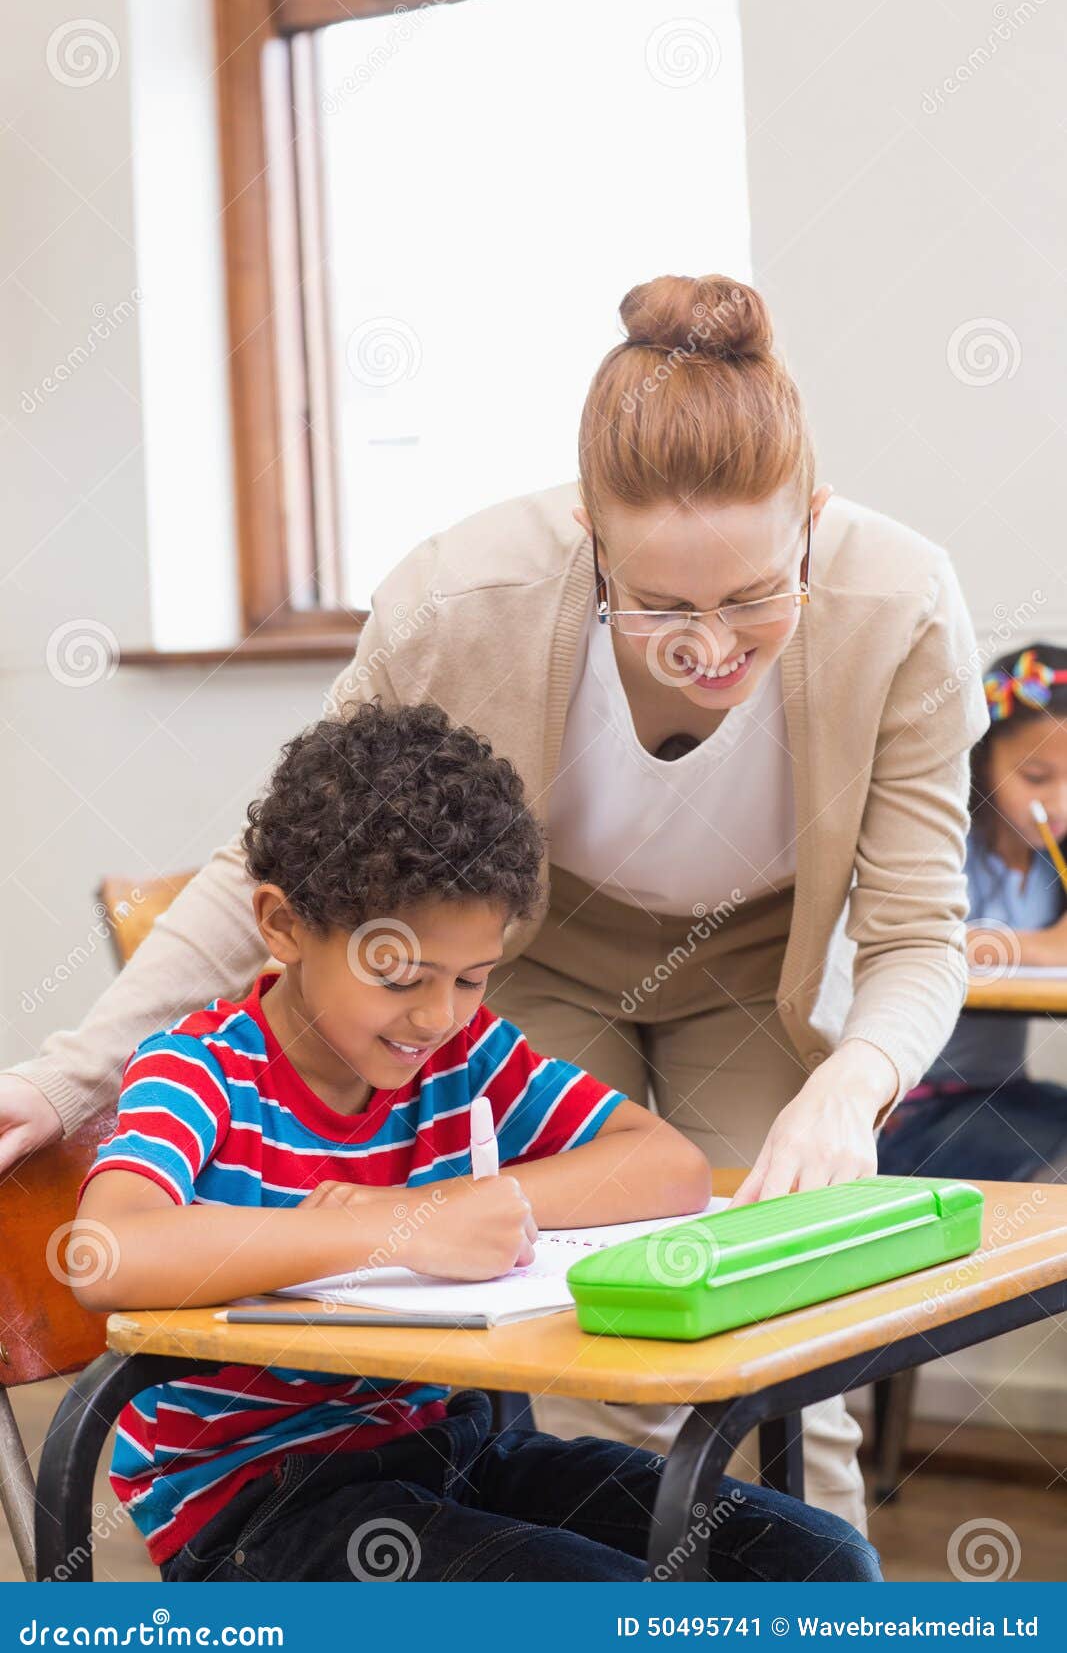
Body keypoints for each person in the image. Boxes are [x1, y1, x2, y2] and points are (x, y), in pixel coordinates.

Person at [3, 273, 989, 1529]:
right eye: (660, 607)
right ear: (587, 536)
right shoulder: (457, 600)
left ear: (814, 518)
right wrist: (71, 1071)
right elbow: (268, 866)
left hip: (758, 967)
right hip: (540, 963)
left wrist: (851, 1085)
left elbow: (913, 932)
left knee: (791, 1357)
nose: (709, 650)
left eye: (753, 597)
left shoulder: (899, 606)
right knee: (593, 1347)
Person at [71, 703, 881, 1583]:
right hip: (257, 1508)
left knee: (817, 1563)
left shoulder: (463, 1055)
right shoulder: (201, 1072)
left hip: (455, 1450)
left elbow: (670, 1168)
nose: (436, 1015)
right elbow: (106, 1253)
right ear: (282, 924)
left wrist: (462, 1207)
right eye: (400, 977)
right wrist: (397, 1230)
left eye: (471, 978)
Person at [879, 646, 1067, 1183]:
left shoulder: (1052, 860)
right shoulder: (945, 847)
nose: (1060, 802)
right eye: (1036, 777)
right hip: (917, 1110)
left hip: (1009, 1094)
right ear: (983, 762)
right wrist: (1047, 947)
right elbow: (914, 941)